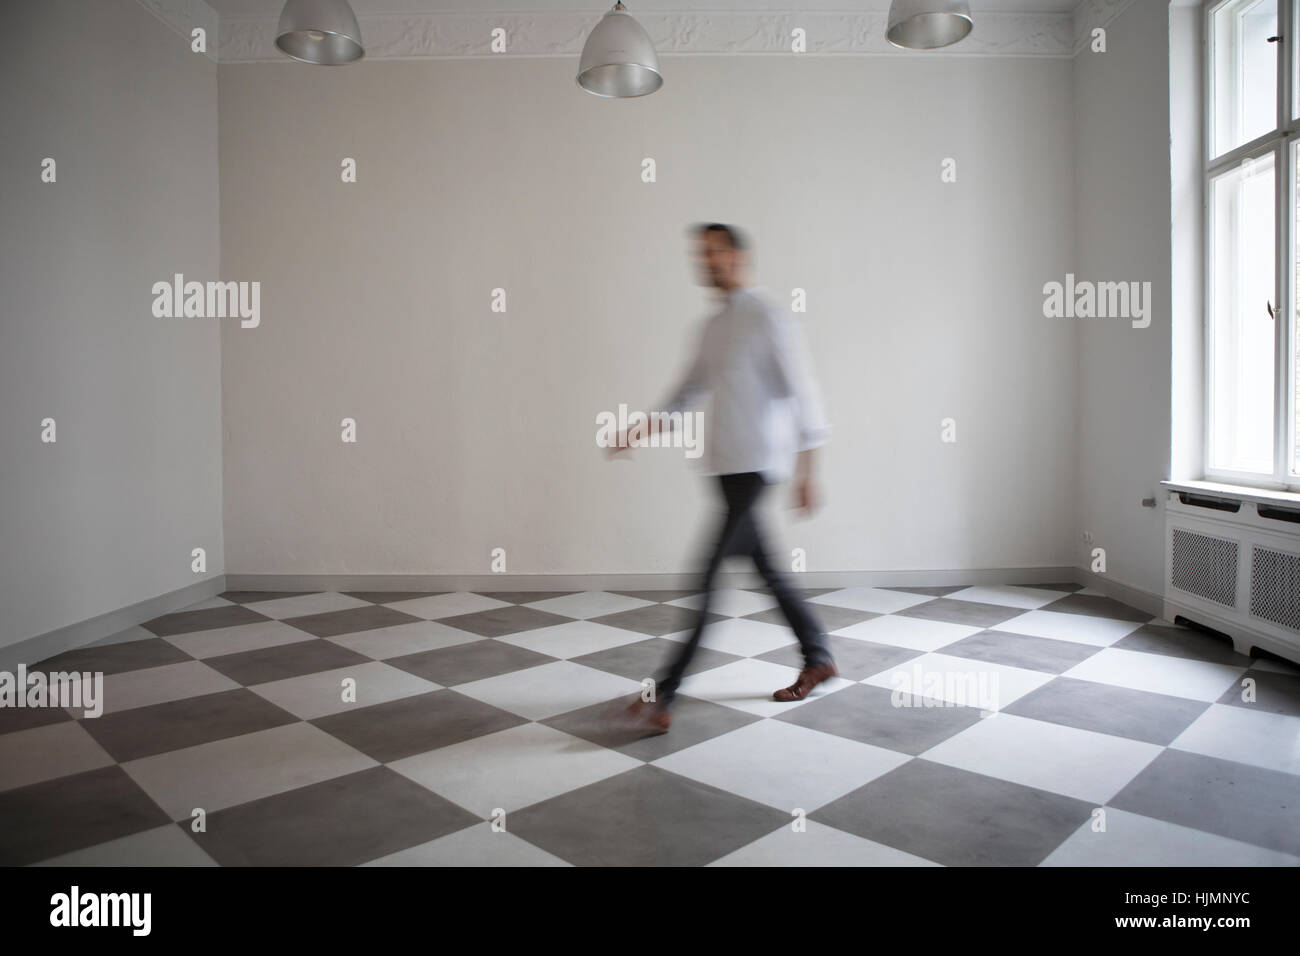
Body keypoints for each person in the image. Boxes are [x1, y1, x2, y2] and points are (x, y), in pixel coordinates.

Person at [608, 222, 838, 735]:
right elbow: (686, 392)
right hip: (723, 472)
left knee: (705, 579)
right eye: (700, 255)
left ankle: (663, 695)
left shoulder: (767, 316)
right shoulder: (710, 328)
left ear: (737, 257)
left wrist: (808, 471)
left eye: (714, 253)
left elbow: (803, 393)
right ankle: (819, 656)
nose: (706, 262)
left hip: (757, 469)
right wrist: (638, 430)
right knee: (770, 573)